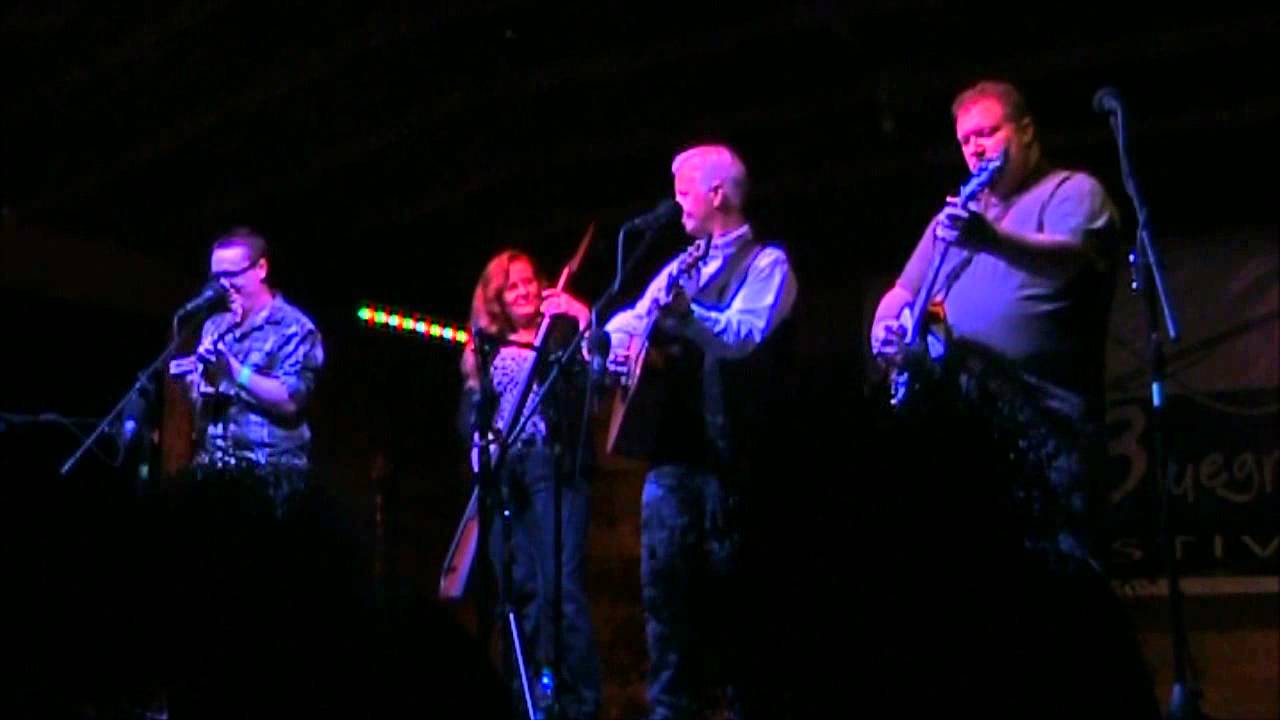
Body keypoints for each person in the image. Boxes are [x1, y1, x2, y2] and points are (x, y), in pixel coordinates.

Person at [867, 80, 1161, 717]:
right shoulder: (956, 216)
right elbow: (901, 289)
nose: (977, 148)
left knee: (1063, 593)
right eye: (966, 140)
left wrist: (992, 241)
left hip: (1045, 429)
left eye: (989, 132)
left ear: (1026, 130)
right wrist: (886, 327)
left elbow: (1074, 260)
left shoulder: (1070, 192)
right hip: (966, 435)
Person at [602, 143, 799, 720]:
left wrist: (688, 315)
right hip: (671, 459)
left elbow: (742, 335)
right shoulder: (684, 262)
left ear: (717, 194)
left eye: (683, 188)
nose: (675, 201)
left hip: (732, 463)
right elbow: (631, 320)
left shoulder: (768, 264)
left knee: (734, 615)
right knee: (665, 613)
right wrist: (599, 335)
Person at [160, 227, 357, 718]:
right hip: (217, 474)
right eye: (215, 277)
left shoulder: (296, 327)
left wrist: (235, 374)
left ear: (261, 268)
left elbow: (291, 400)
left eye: (232, 274)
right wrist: (198, 385)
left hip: (271, 481)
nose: (223, 285)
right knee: (207, 601)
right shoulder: (214, 327)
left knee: (263, 604)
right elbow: (208, 401)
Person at [457, 249, 602, 720]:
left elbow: (593, 386)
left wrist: (582, 320)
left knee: (560, 588)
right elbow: (472, 411)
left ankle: (578, 701)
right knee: (522, 592)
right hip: (506, 473)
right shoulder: (485, 346)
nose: (523, 292)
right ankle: (530, 696)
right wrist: (475, 442)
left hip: (553, 469)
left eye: (528, 282)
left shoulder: (559, 334)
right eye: (511, 287)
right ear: (496, 298)